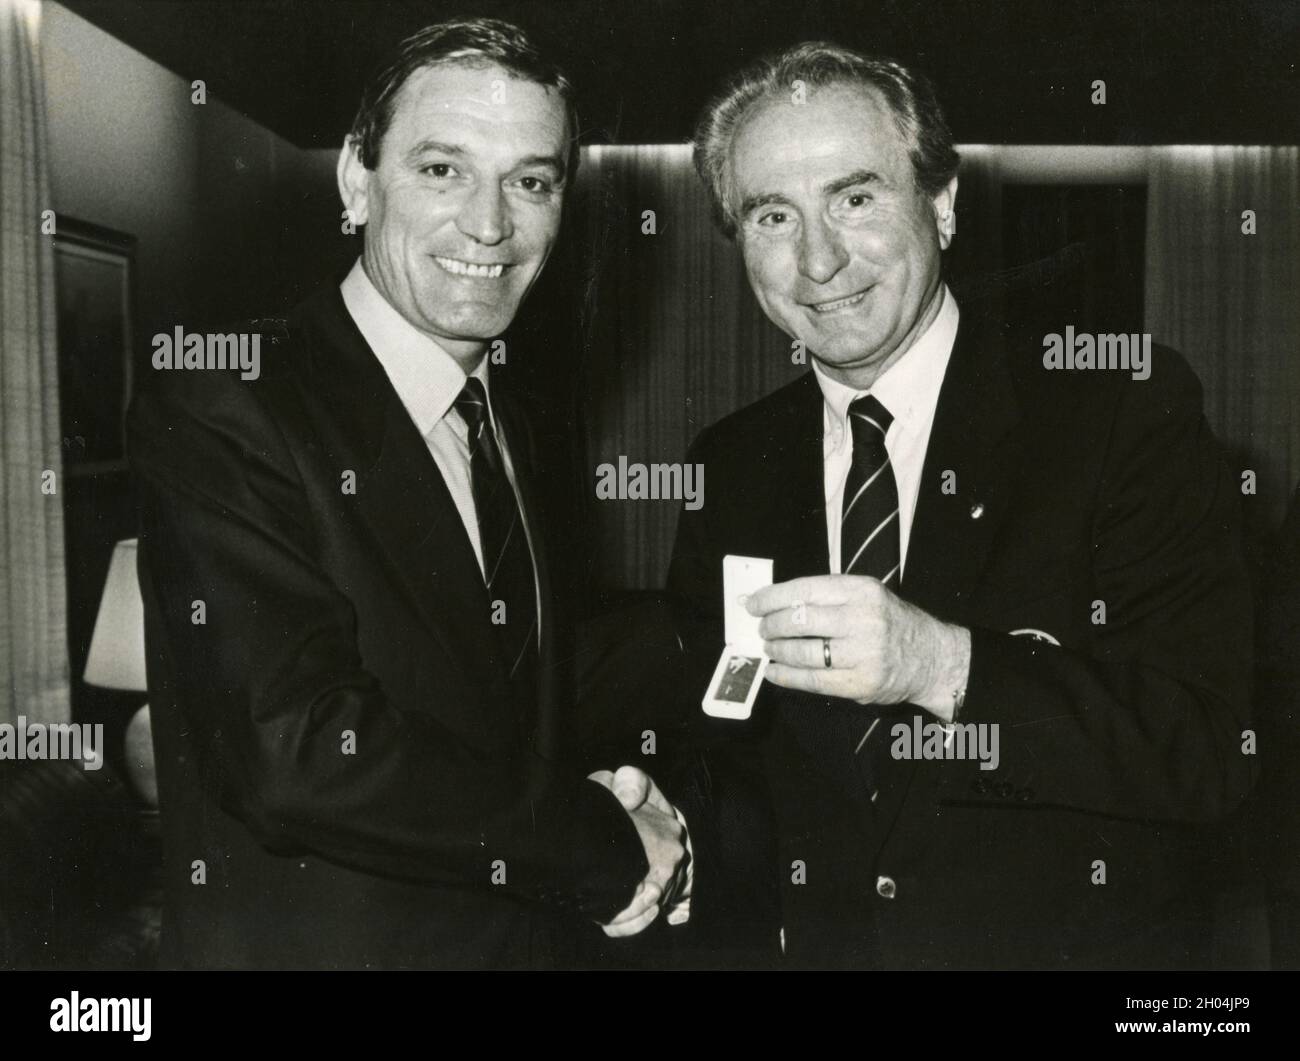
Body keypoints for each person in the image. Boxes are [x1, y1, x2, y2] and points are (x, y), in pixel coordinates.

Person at [667, 41, 1255, 968]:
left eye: (855, 198)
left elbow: (1215, 752)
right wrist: (671, 827)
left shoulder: (1117, 408)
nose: (818, 259)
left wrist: (940, 664)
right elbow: (740, 754)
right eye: (772, 214)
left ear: (941, 203)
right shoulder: (731, 464)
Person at [128, 18, 687, 970]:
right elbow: (295, 749)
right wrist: (602, 844)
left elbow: (507, 675)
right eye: (442, 169)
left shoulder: (519, 420)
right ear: (357, 179)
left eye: (532, 180)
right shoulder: (228, 397)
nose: (489, 223)